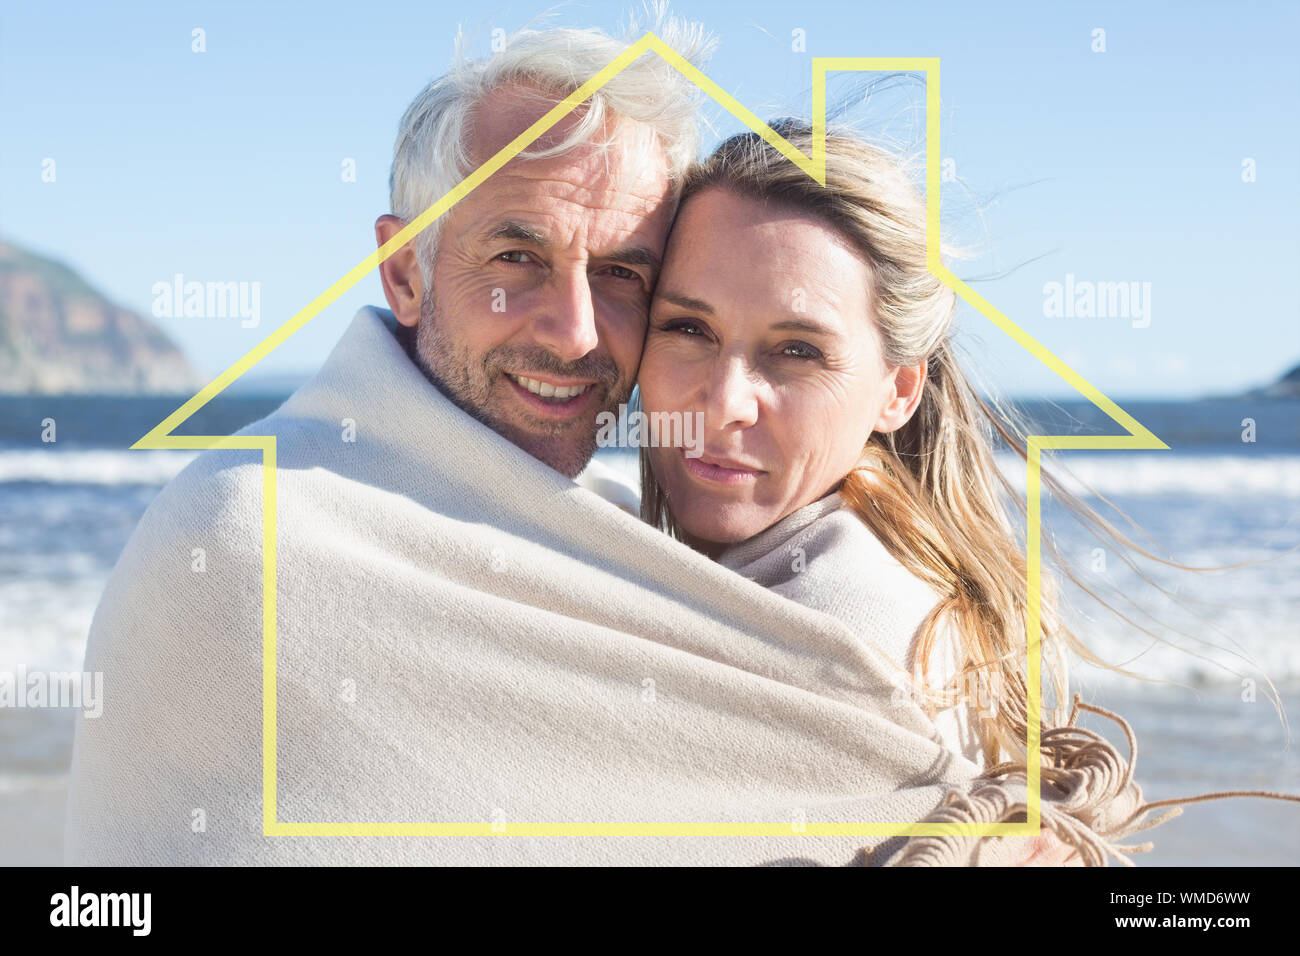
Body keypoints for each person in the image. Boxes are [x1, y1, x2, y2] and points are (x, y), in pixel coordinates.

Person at [64, 19, 1072, 867]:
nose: (577, 330)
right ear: (403, 268)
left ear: (899, 386)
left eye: (625, 273)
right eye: (518, 256)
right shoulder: (254, 529)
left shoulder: (815, 607)